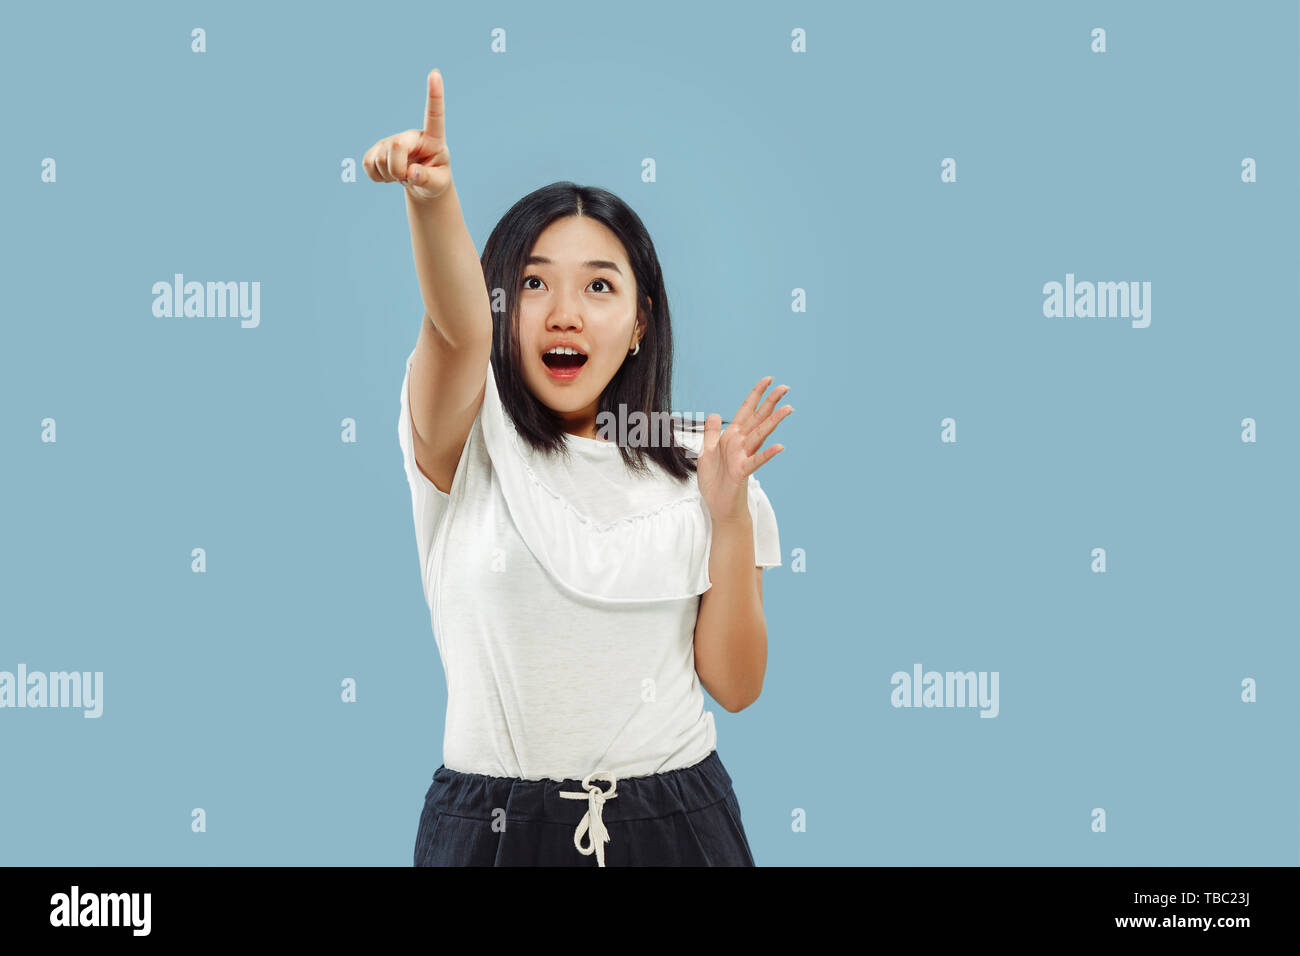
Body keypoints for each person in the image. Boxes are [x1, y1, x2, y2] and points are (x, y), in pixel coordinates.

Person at [367, 68, 792, 866]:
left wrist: (727, 514)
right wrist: (432, 202)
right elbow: (455, 331)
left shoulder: (702, 464)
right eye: (532, 284)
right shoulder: (464, 438)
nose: (564, 311)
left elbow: (735, 686)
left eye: (599, 286)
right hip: (490, 828)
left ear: (639, 322)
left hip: (674, 821)